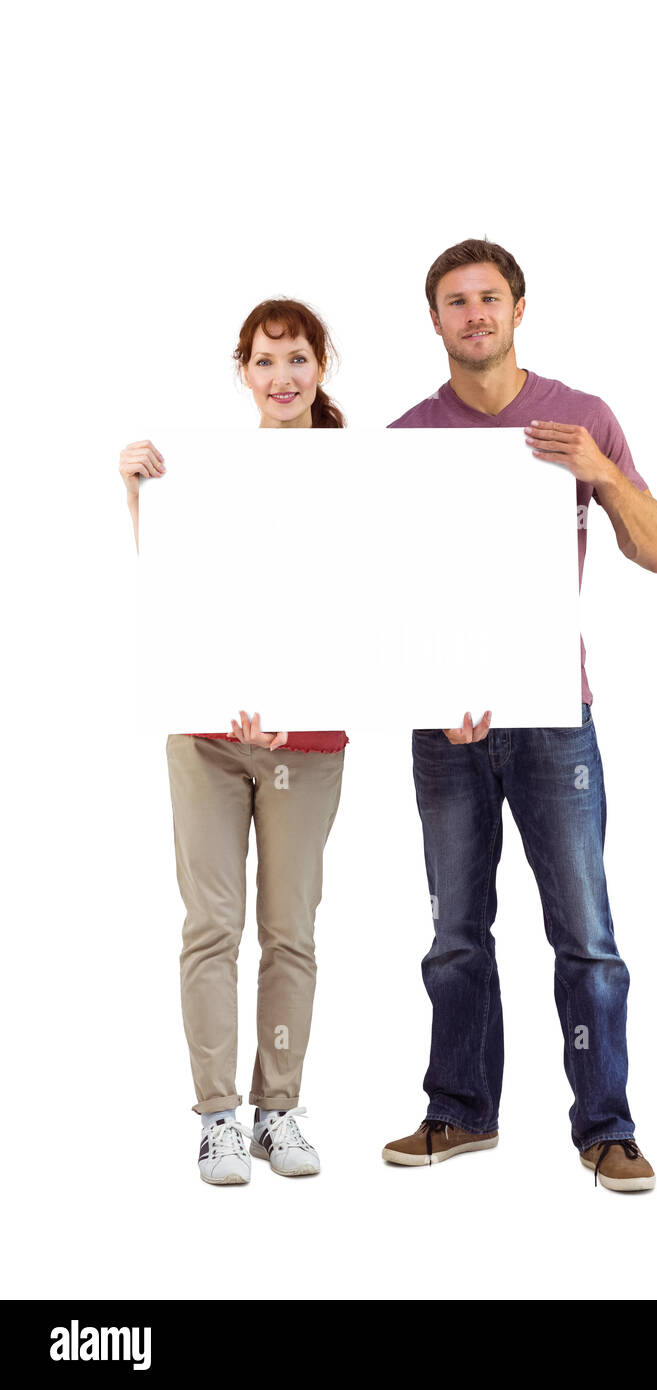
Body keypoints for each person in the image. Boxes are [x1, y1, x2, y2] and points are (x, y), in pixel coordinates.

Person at [382, 239, 657, 1192]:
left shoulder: (579, 418)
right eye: (455, 302)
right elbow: (383, 593)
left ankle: (608, 1126)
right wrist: (428, 691)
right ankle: (459, 1112)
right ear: (434, 321)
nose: (474, 314)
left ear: (517, 308)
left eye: (489, 298)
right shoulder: (406, 439)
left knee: (584, 929)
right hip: (448, 723)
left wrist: (601, 471)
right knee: (455, 932)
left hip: (554, 714)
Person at [119, 299, 347, 1185]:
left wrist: (301, 697)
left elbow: (366, 608)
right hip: (207, 733)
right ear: (243, 371)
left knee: (289, 930)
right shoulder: (207, 470)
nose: (282, 377)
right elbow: (181, 589)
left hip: (310, 740)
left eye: (297, 359)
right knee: (211, 926)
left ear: (321, 366)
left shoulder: (353, 472)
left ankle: (277, 1110)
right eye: (264, 361)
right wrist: (138, 491)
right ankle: (218, 1116)